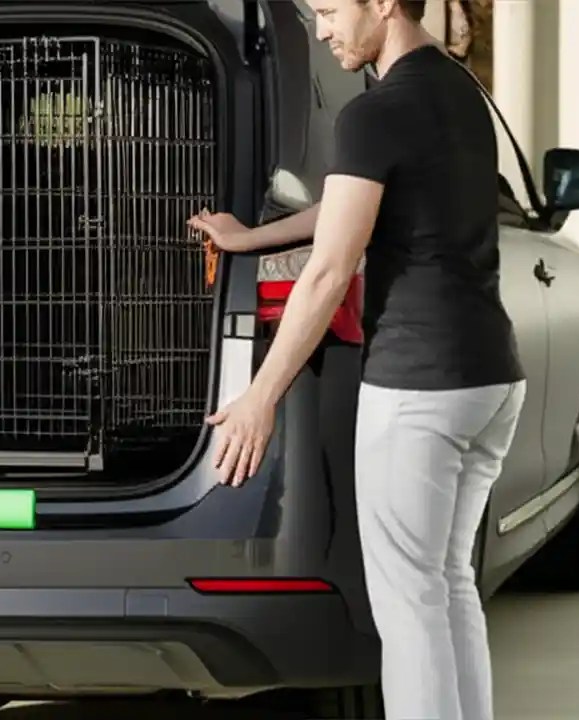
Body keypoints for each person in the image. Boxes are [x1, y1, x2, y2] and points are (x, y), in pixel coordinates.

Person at [187, 1, 526, 719]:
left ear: (382, 3)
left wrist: (260, 397)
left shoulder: (373, 113)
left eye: (334, 11)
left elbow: (330, 270)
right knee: (447, 586)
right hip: (489, 377)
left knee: (407, 604)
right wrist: (253, 237)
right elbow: (360, 198)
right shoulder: (455, 89)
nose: (325, 29)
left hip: (418, 387)